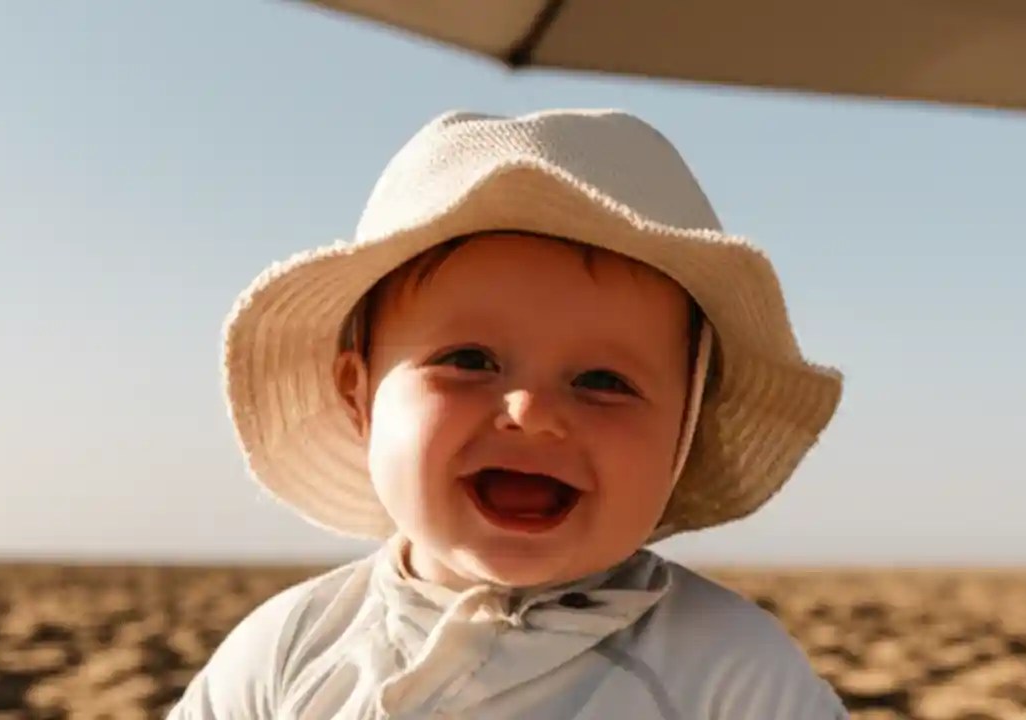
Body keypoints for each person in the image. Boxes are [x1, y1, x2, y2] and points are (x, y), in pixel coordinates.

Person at [168, 109, 848, 719]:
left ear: (685, 429)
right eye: (468, 361)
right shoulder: (288, 648)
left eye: (604, 380)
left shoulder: (728, 672)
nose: (532, 412)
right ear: (359, 396)